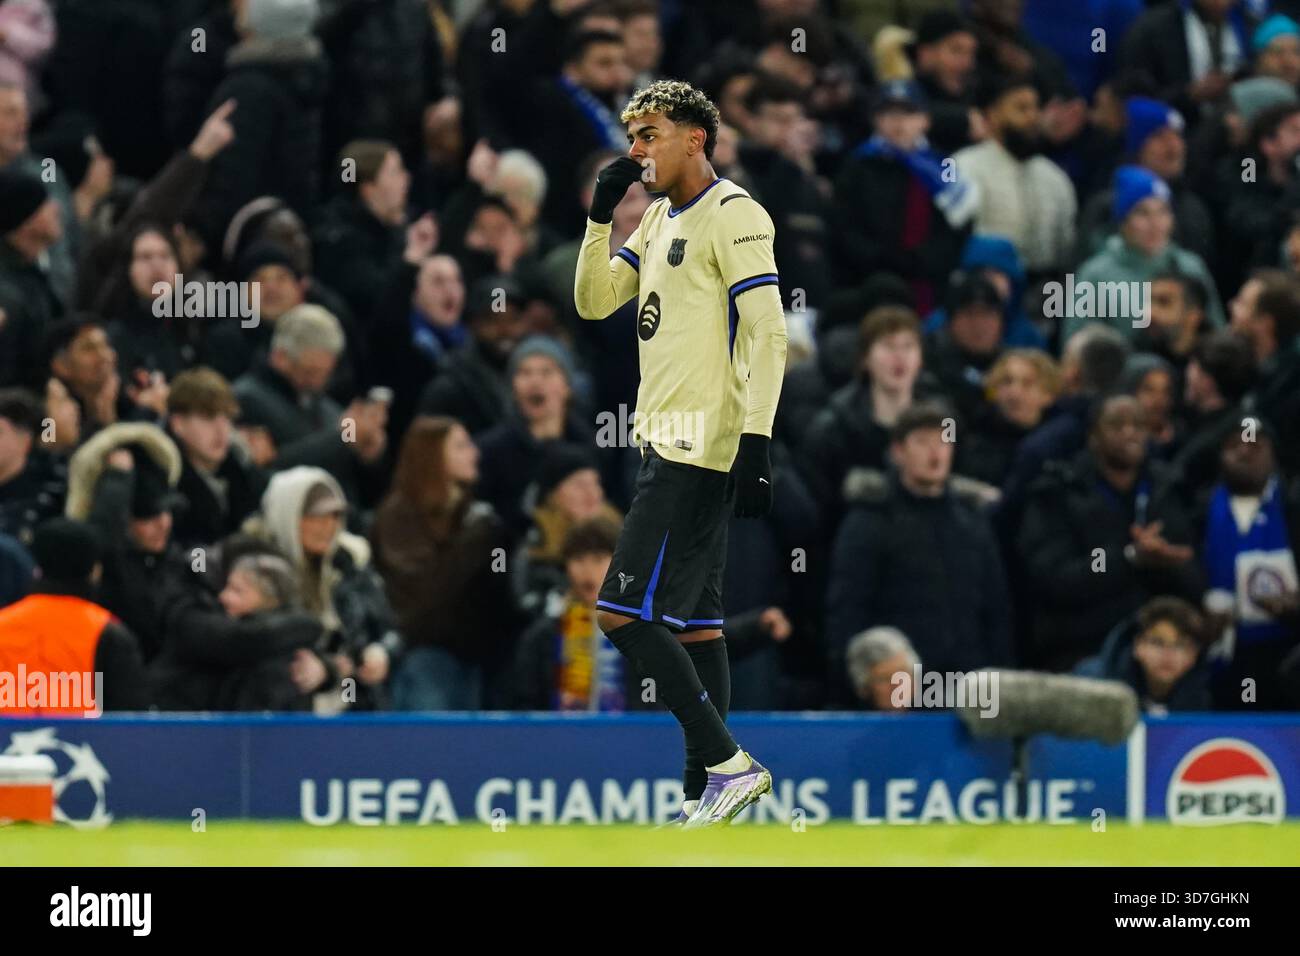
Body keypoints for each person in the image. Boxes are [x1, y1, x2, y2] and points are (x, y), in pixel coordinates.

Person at [574, 79, 787, 827]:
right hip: (668, 442)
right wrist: (601, 217)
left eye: (650, 133)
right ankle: (705, 797)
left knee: (620, 613)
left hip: (700, 445)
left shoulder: (735, 214)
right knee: (697, 625)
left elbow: (769, 329)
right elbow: (597, 299)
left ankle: (727, 763)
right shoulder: (660, 214)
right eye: (631, 135)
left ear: (695, 137)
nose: (636, 149)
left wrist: (757, 438)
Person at [827, 402, 1012, 703]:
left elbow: (996, 608)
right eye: (923, 442)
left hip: (968, 684)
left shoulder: (972, 520)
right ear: (899, 451)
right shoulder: (870, 519)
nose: (935, 452)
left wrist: (999, 675)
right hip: (897, 689)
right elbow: (848, 608)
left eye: (943, 441)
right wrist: (858, 684)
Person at [1016, 394, 1204, 671]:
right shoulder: (1058, 492)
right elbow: (1054, 577)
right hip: (1080, 650)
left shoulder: (1167, 489)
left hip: (1159, 656)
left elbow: (1192, 568)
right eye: (1117, 425)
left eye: (1138, 425)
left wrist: (1171, 562)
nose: (1130, 432)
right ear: (1093, 436)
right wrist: (1127, 558)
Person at [370, 416, 523, 710]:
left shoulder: (473, 515)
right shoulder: (398, 517)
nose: (475, 453)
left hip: (476, 658)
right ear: (432, 455)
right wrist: (475, 540)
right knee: (430, 750)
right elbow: (421, 598)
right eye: (461, 446)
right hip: (425, 656)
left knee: (469, 753)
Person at [0, 517, 149, 714]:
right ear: (94, 571)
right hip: (86, 743)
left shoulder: (4, 624)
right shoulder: (108, 633)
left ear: (38, 565)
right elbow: (132, 722)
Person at [1200, 419, 1300, 709]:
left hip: (1289, 652)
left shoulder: (1293, 503)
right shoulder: (1198, 507)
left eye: (1255, 444)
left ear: (1274, 455)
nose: (1245, 452)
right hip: (1223, 654)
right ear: (1219, 454)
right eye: (1234, 445)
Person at [512, 515, 643, 711]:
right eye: (578, 559)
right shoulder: (543, 635)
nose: (587, 570)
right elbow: (525, 704)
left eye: (598, 559)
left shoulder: (644, 634)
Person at [166, 367, 265, 551]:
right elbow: (194, 558)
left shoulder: (237, 468)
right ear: (178, 424)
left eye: (226, 417)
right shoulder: (167, 482)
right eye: (208, 417)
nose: (221, 430)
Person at [1076, 596, 1212, 713]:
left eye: (1180, 645)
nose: (1168, 654)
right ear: (1138, 646)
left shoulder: (1201, 700)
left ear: (1193, 655)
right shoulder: (1093, 682)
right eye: (1158, 643)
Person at [845, 626, 920, 712]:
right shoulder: (843, 721)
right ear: (864, 688)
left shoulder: (934, 715)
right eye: (885, 678)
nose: (897, 686)